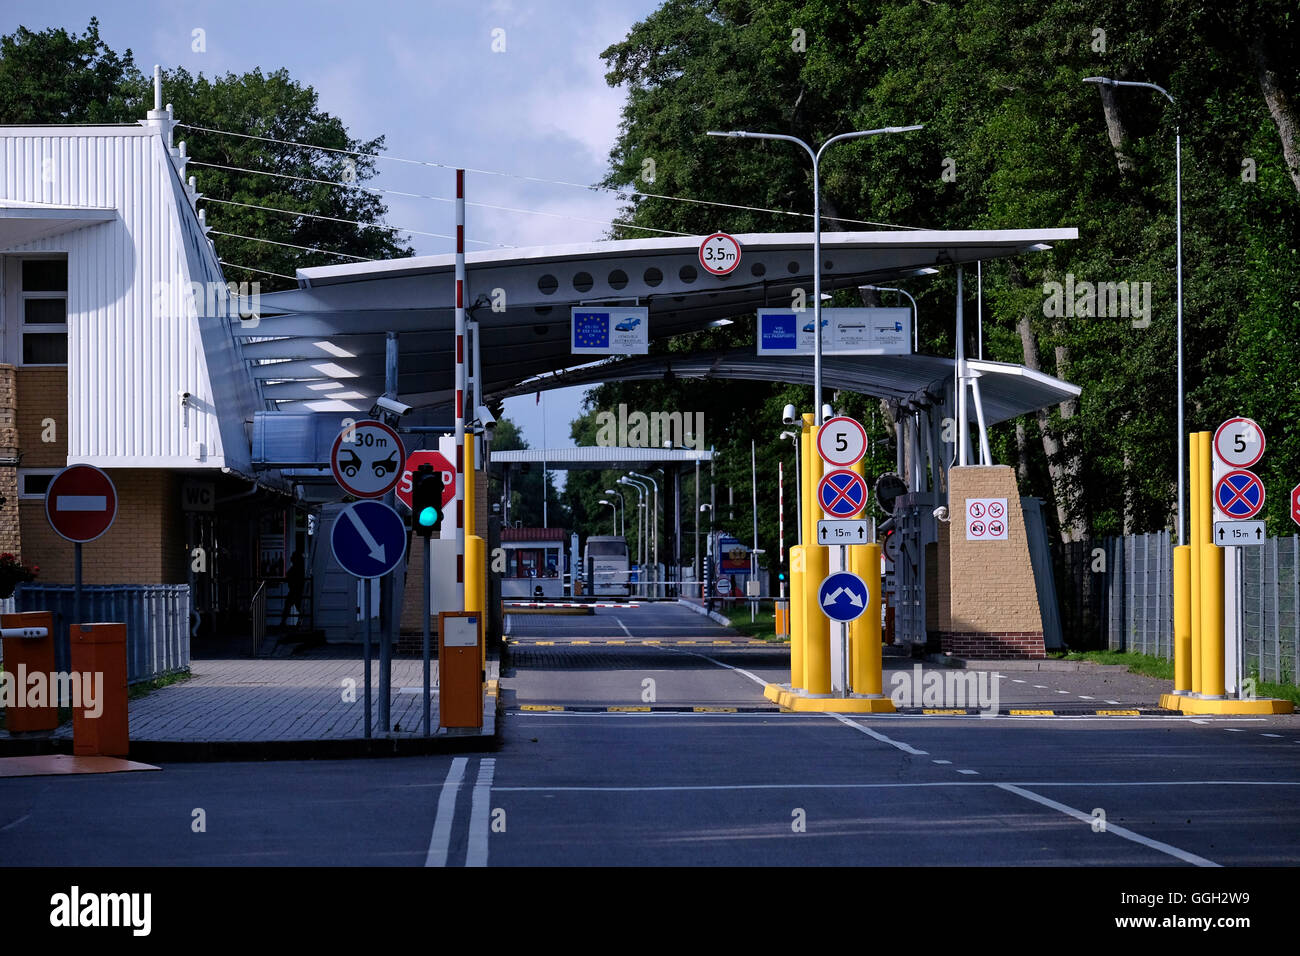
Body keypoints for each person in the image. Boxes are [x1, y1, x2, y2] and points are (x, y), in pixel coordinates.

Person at [281, 550, 305, 629]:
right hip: (297, 590)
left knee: (289, 605)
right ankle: (301, 622)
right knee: (298, 606)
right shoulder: (299, 568)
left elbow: (289, 575)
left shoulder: (296, 568)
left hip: (295, 590)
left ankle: (284, 622)